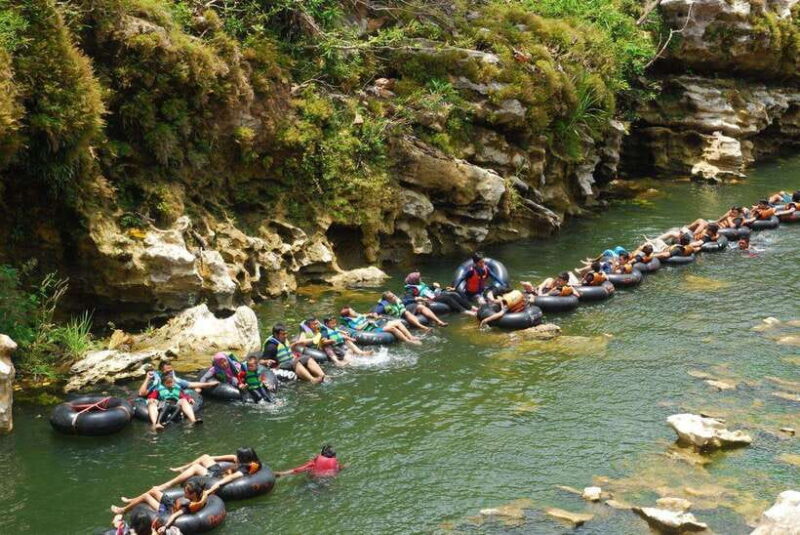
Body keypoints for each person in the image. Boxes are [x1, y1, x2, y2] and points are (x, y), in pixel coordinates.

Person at [111, 448, 264, 516]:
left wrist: (212, 489)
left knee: (149, 495)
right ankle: (183, 469)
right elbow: (232, 458)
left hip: (215, 479)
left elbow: (227, 479)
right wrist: (215, 458)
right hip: (215, 477)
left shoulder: (242, 471)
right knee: (204, 458)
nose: (236, 457)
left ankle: (124, 509)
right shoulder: (254, 463)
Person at [261, 324, 326, 383]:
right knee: (296, 362)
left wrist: (294, 345)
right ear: (276, 335)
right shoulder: (271, 346)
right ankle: (312, 380)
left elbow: (287, 350)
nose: (286, 336)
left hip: (290, 361)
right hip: (280, 366)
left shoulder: (283, 340)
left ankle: (323, 376)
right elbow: (261, 361)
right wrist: (266, 361)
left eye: (286, 333)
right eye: (283, 334)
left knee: (308, 358)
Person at [340, 306, 421, 345]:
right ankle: (408, 341)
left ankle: (411, 337)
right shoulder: (350, 321)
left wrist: (372, 315)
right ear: (348, 315)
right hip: (372, 331)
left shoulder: (357, 315)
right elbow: (357, 328)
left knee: (398, 322)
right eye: (352, 311)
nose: (354, 311)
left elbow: (365, 315)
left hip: (375, 326)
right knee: (393, 328)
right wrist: (367, 323)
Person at [403, 272, 476, 315]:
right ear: (415, 280)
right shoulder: (411, 289)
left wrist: (433, 286)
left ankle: (471, 307)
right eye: (419, 278)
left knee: (453, 294)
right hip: (429, 300)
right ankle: (464, 311)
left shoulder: (419, 284)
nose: (420, 278)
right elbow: (408, 298)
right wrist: (417, 299)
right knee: (447, 298)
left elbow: (426, 289)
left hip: (433, 296)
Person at [138, 360, 217, 397]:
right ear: (161, 370)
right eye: (167, 371)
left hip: (175, 394)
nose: (169, 372)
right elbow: (141, 393)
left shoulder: (174, 378)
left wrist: (209, 384)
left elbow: (189, 384)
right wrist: (147, 378)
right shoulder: (157, 380)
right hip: (161, 398)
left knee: (195, 388)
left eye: (170, 370)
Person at [374, 291, 447, 329]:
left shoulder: (397, 300)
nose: (394, 297)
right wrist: (376, 316)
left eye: (393, 295)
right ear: (387, 300)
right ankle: (422, 327)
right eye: (391, 297)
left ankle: (439, 322)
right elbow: (375, 312)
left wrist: (420, 298)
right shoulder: (383, 305)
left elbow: (408, 300)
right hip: (396, 318)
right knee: (406, 312)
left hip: (402, 313)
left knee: (420, 306)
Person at [276, 444, 342, 478]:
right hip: (328, 480)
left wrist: (281, 473)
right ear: (333, 456)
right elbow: (340, 469)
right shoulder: (335, 463)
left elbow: (297, 470)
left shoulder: (315, 461)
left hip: (315, 480)